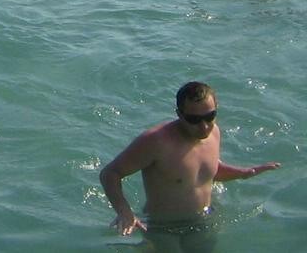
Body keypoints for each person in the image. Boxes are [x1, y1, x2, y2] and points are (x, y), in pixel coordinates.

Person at [100, 81, 280, 243]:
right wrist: (124, 211)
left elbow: (207, 171)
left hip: (202, 220)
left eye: (210, 116)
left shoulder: (214, 132)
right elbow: (110, 173)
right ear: (179, 114)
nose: (204, 126)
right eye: (194, 120)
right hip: (164, 228)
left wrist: (243, 173)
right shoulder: (156, 142)